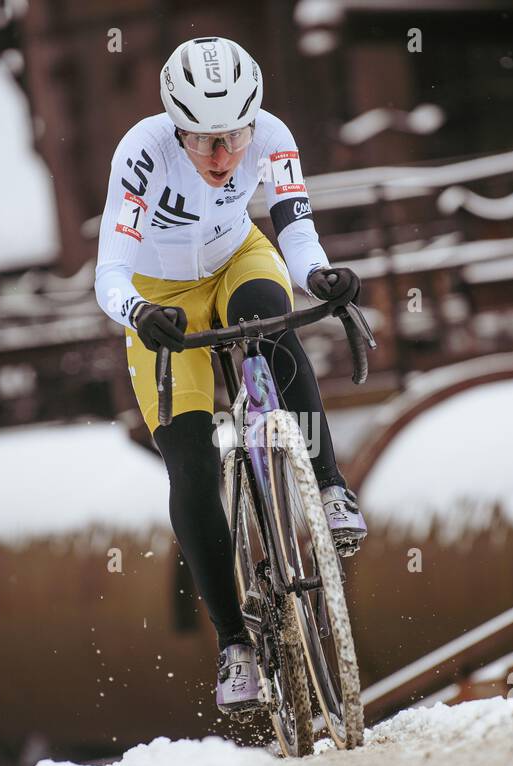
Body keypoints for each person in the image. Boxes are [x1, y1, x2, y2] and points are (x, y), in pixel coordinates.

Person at [93, 36, 366, 717]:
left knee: (269, 325)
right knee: (189, 466)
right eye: (204, 142)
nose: (223, 158)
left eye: (235, 137)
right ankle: (234, 645)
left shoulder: (272, 135)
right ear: (175, 126)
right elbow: (109, 274)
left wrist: (317, 274)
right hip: (159, 299)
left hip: (236, 258)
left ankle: (329, 486)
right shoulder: (141, 153)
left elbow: (294, 231)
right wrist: (140, 313)